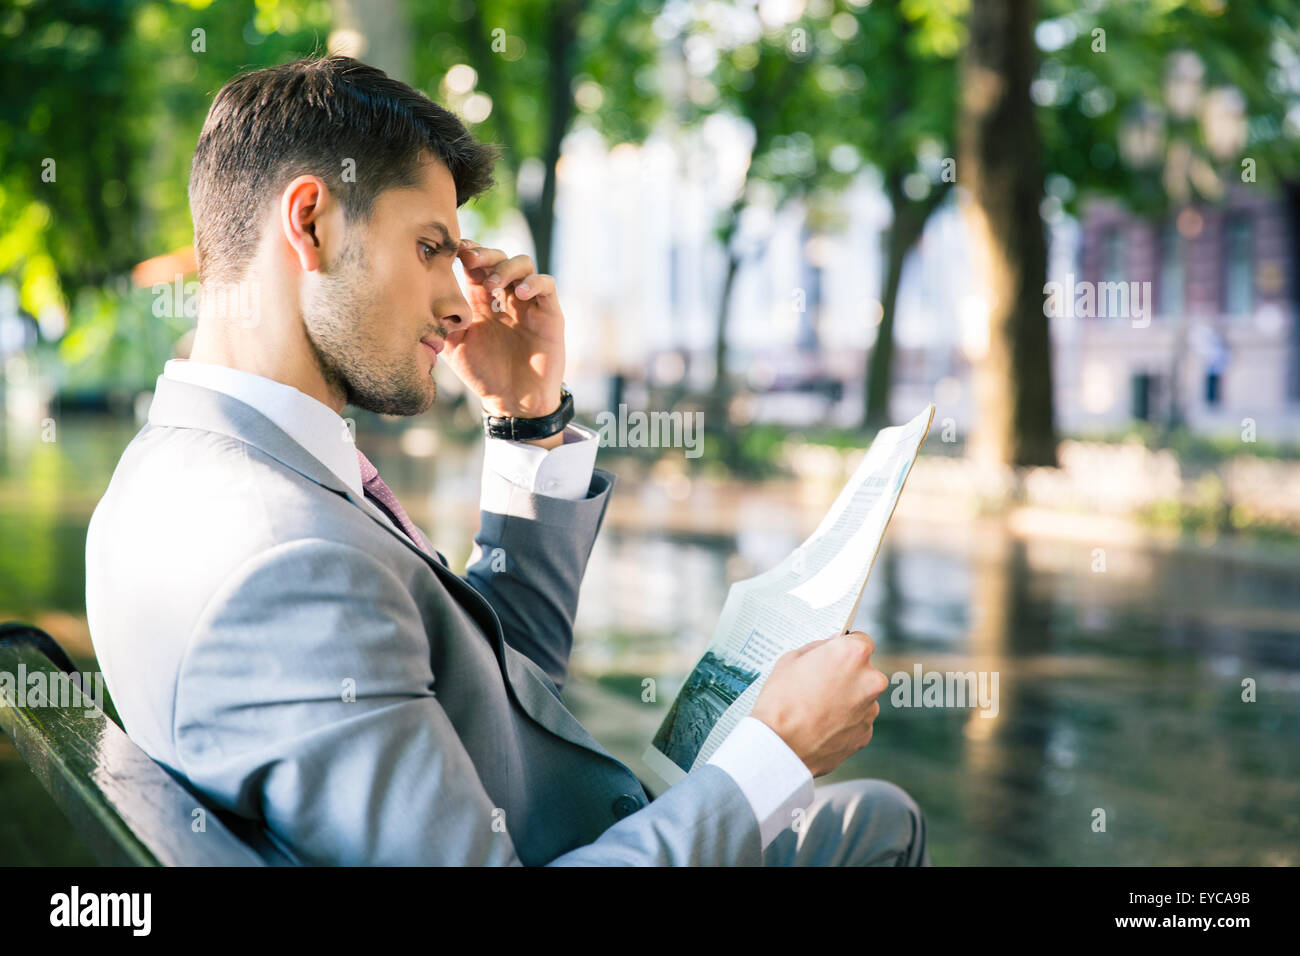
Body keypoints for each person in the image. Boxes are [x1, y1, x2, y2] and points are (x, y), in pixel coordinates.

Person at [85, 55, 928, 866]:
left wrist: (524, 421)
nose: (459, 303)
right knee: (874, 822)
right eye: (428, 247)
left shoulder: (178, 472)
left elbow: (481, 695)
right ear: (310, 222)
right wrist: (773, 756)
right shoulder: (286, 563)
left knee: (867, 817)